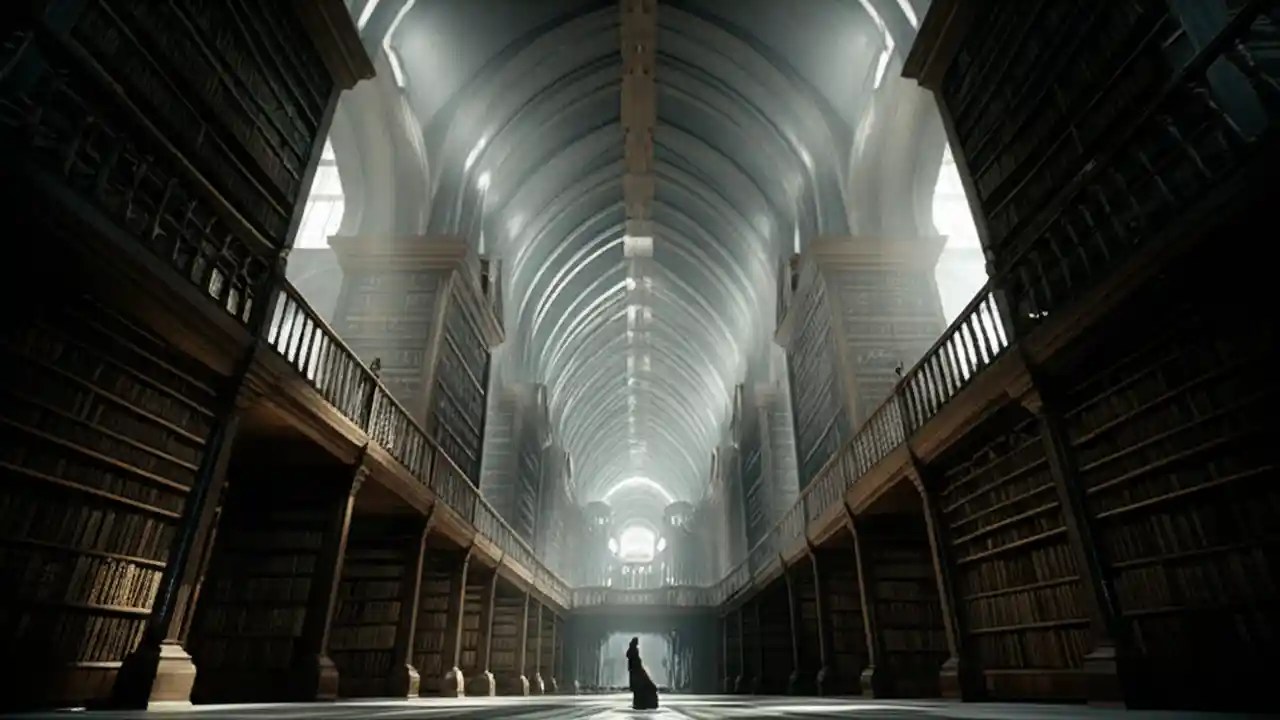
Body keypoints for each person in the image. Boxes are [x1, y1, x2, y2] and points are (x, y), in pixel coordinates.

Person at [626, 636, 659, 710]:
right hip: (637, 672)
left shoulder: (631, 651)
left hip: (635, 672)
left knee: (638, 689)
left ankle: (638, 703)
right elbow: (635, 663)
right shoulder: (634, 651)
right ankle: (642, 703)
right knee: (640, 688)